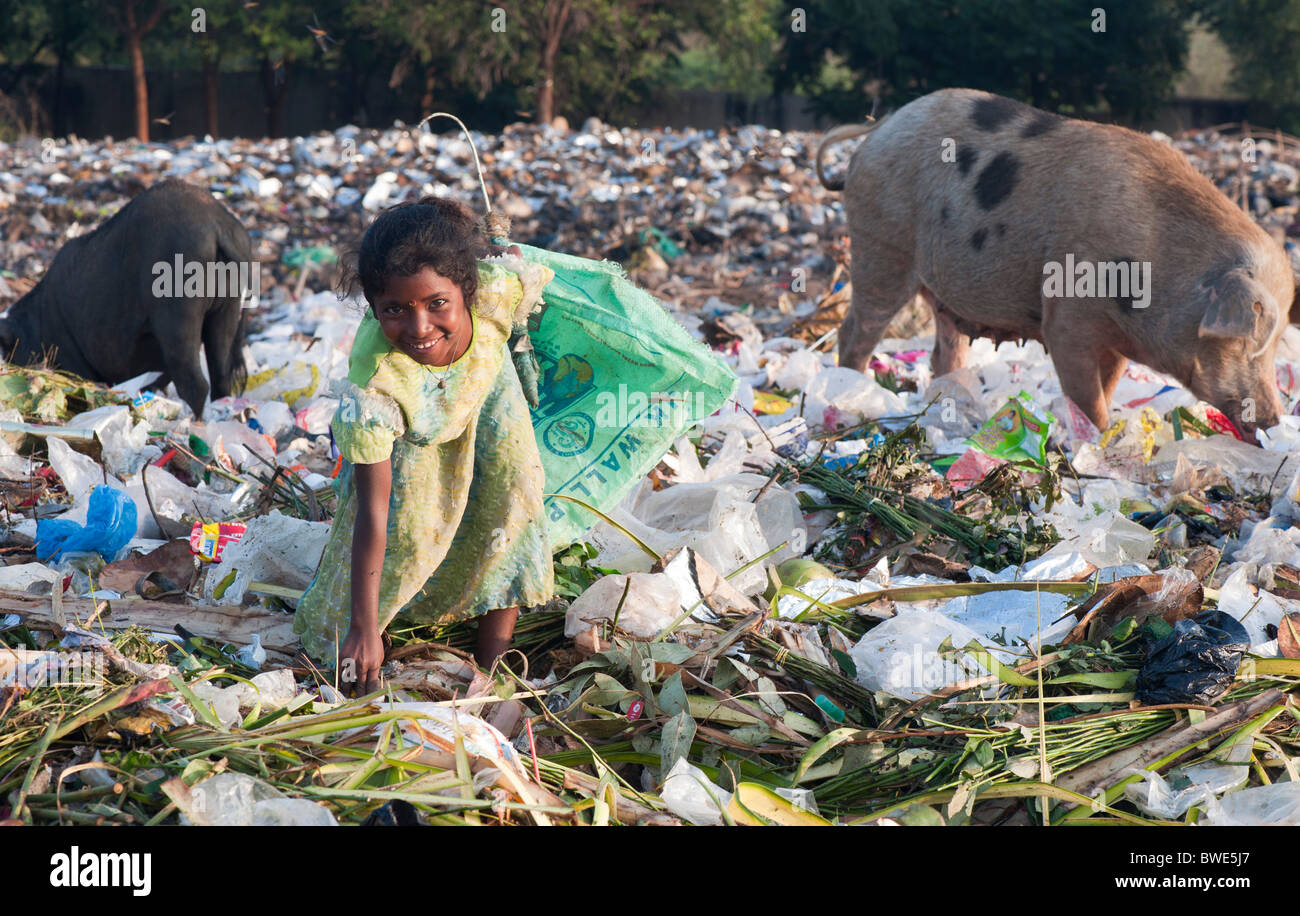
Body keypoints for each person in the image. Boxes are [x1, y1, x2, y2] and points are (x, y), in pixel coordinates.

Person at [294, 197, 555, 693]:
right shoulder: (373, 387)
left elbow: (520, 270)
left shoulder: (497, 292)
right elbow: (376, 511)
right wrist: (362, 629)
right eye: (394, 309)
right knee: (411, 529)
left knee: (513, 498)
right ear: (372, 306)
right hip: (409, 427)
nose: (419, 328)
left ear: (468, 290)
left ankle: (492, 670)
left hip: (487, 396)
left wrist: (512, 257)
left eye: (437, 304)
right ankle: (380, 625)